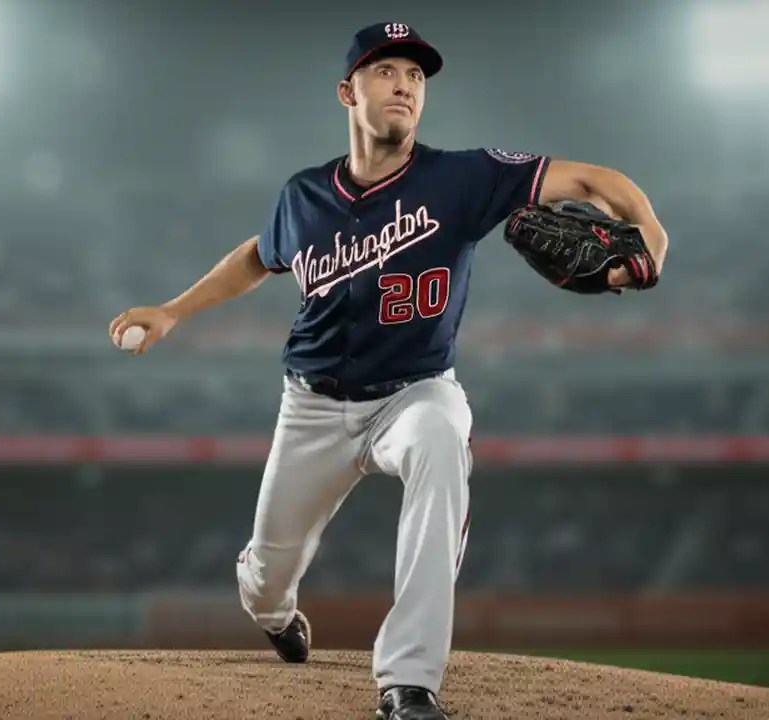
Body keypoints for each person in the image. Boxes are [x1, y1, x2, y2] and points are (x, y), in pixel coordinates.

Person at [108, 21, 669, 720]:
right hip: (311, 406)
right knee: (262, 581)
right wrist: (173, 309)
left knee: (440, 440)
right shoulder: (304, 195)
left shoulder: (463, 177)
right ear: (348, 91)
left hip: (415, 394)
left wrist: (650, 233)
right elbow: (257, 256)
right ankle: (278, 613)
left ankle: (409, 681)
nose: (405, 83)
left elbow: (593, 180)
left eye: (416, 75)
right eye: (386, 70)